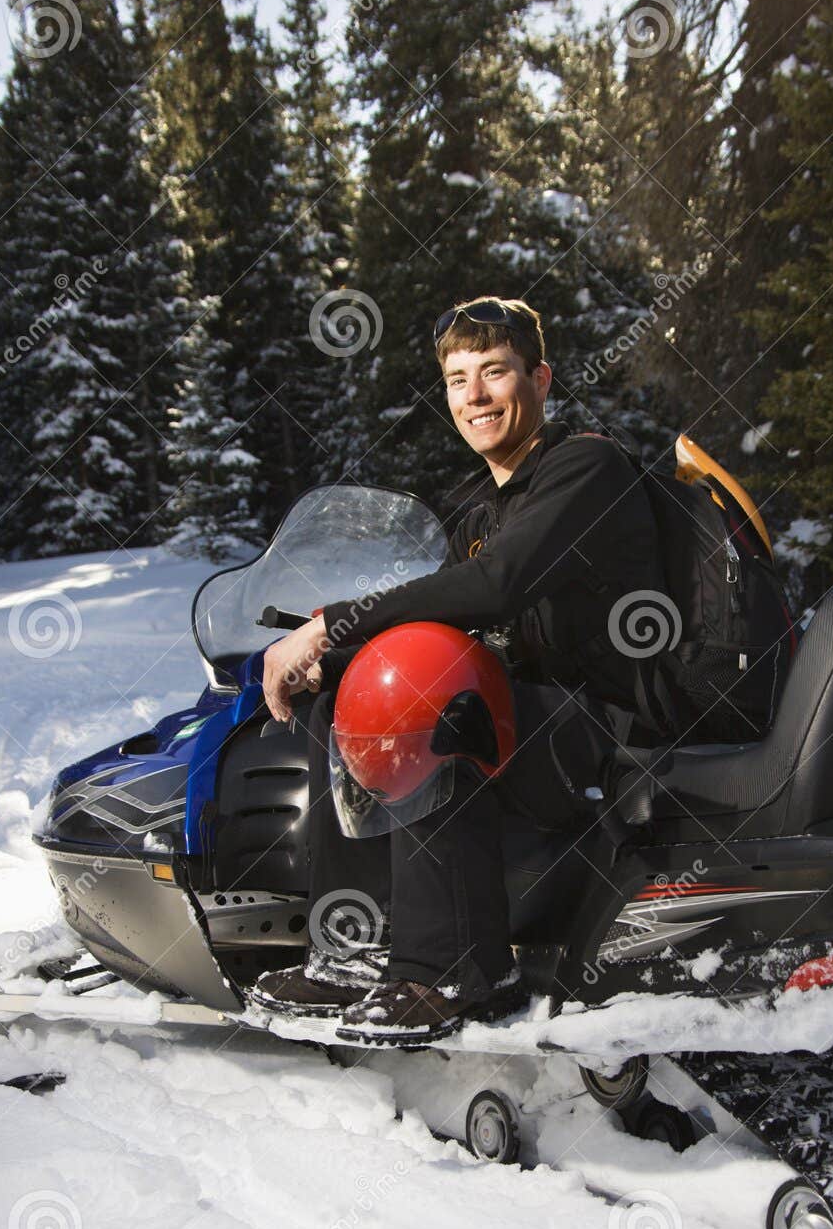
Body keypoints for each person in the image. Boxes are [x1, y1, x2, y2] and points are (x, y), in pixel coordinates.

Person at [252, 296, 665, 1043]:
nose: (473, 396)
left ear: (539, 378)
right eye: (456, 379)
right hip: (539, 725)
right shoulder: (481, 511)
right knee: (347, 699)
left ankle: (459, 973)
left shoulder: (584, 466)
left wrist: (327, 623)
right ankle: (353, 948)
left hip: (613, 731)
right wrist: (334, 660)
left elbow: (493, 588)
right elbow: (438, 616)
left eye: (495, 372)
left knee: (427, 697)